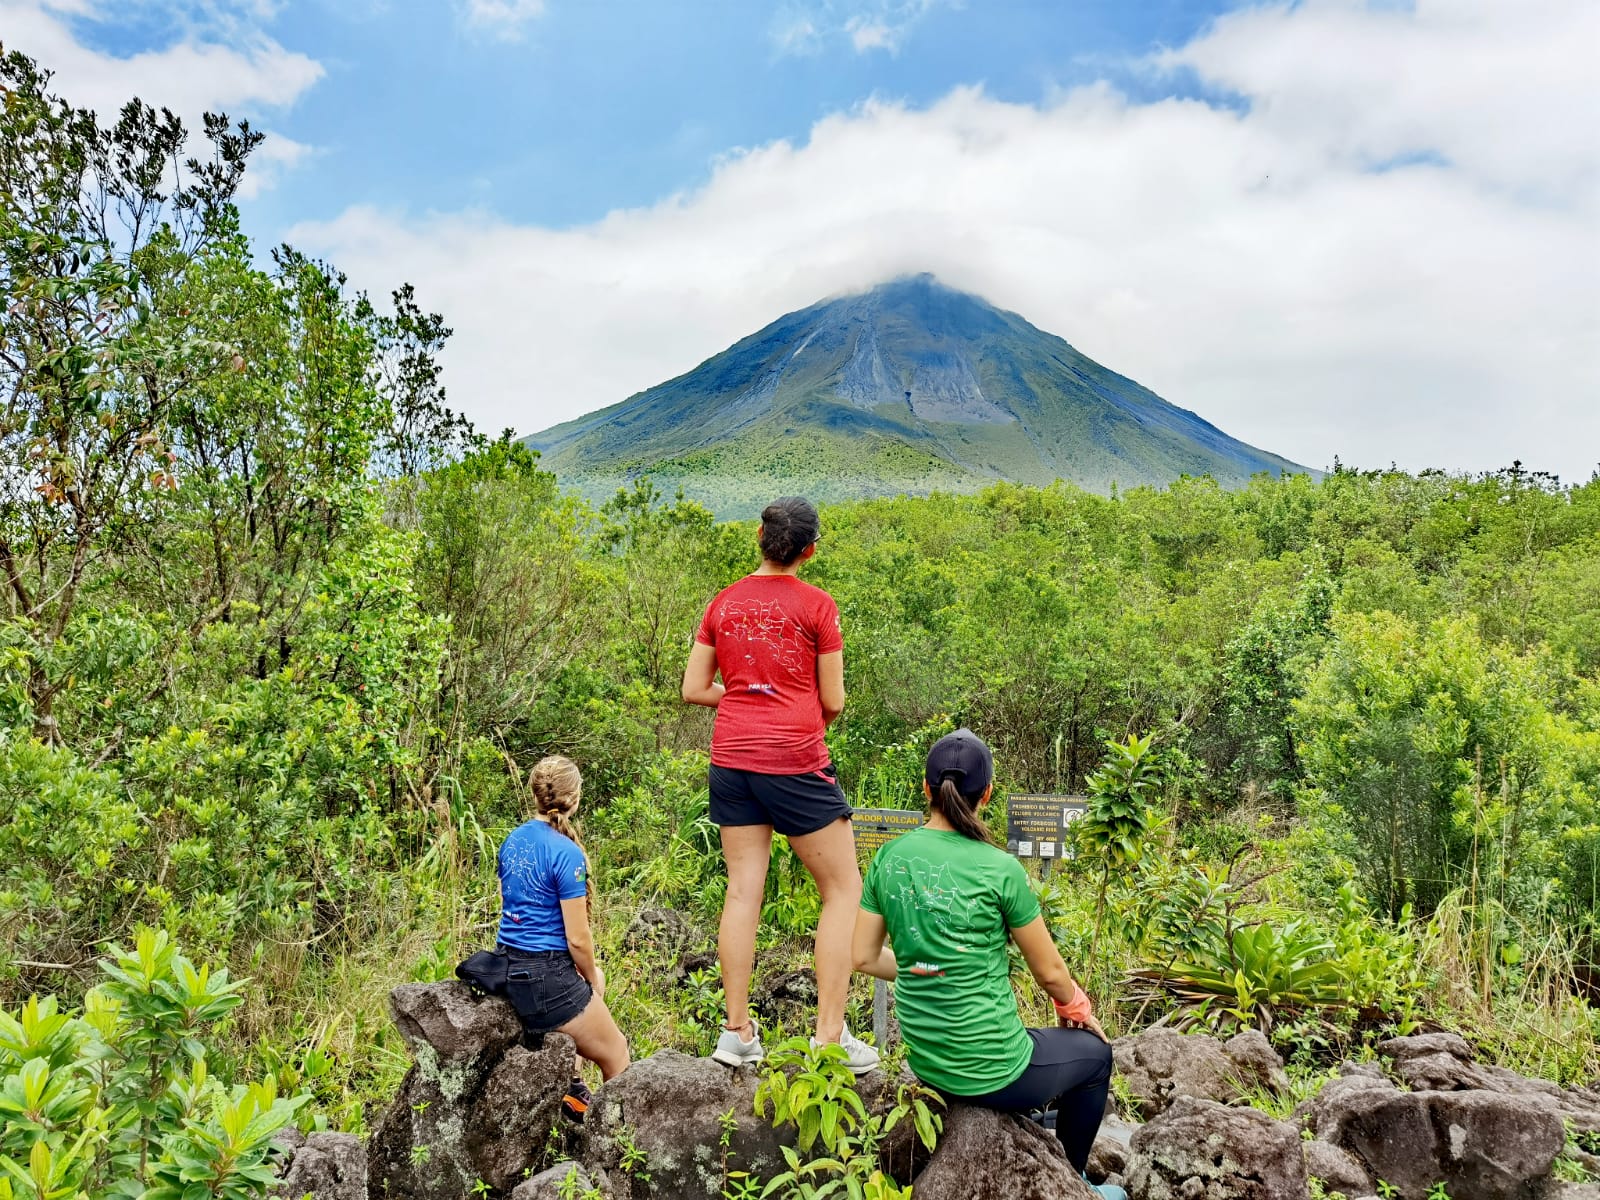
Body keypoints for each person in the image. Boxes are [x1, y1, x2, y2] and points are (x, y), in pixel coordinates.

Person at [851, 729, 1123, 1198]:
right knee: (1097, 1058)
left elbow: (862, 956)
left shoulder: (889, 858)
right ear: (988, 794)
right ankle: (1075, 1183)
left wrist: (926, 966)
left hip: (929, 1064)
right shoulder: (1000, 869)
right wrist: (1078, 1009)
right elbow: (1050, 974)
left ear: (926, 789)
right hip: (994, 1071)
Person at [682, 496, 879, 1074]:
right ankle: (829, 1037)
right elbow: (833, 700)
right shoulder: (817, 606)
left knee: (743, 891)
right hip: (794, 758)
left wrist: (745, 696)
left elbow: (695, 688)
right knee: (842, 888)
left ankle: (736, 1032)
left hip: (732, 758)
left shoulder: (723, 602)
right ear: (809, 551)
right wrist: (792, 712)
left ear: (760, 539)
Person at [496, 755, 629, 1115]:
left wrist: (592, 979)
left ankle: (573, 1083)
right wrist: (588, 978)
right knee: (617, 1052)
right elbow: (578, 939)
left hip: (508, 966)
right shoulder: (567, 853)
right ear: (575, 799)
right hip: (546, 977)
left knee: (597, 979)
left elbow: (513, 911)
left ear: (535, 795)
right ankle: (612, 1136)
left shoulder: (512, 840)